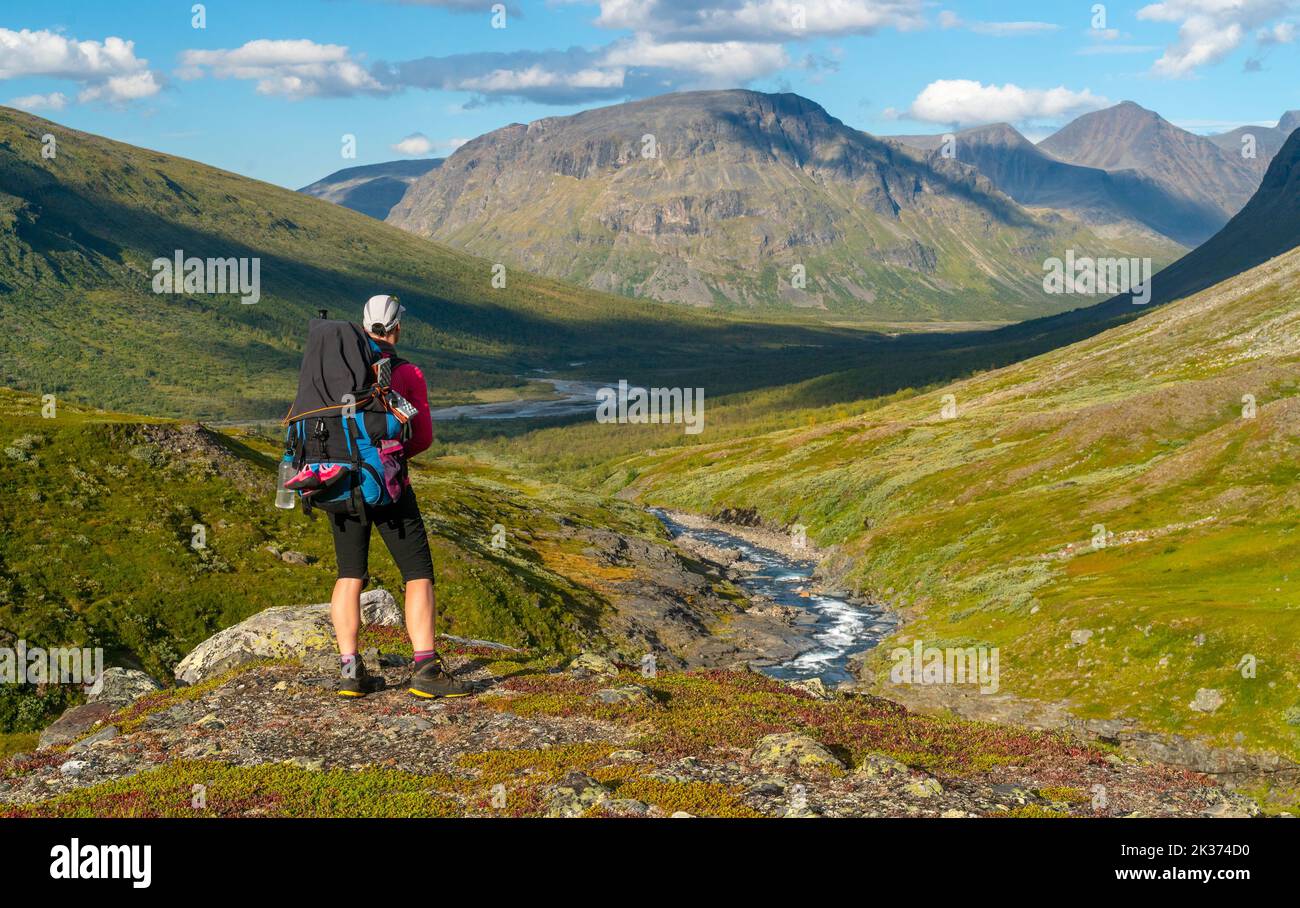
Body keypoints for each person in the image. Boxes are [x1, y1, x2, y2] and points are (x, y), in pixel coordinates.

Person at [330, 294, 470, 700]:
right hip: (390, 488)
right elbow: (422, 436)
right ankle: (425, 668)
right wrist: (389, 458)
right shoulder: (407, 372)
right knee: (417, 572)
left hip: (340, 484)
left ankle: (350, 671)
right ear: (396, 328)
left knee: (349, 574)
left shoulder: (336, 368)